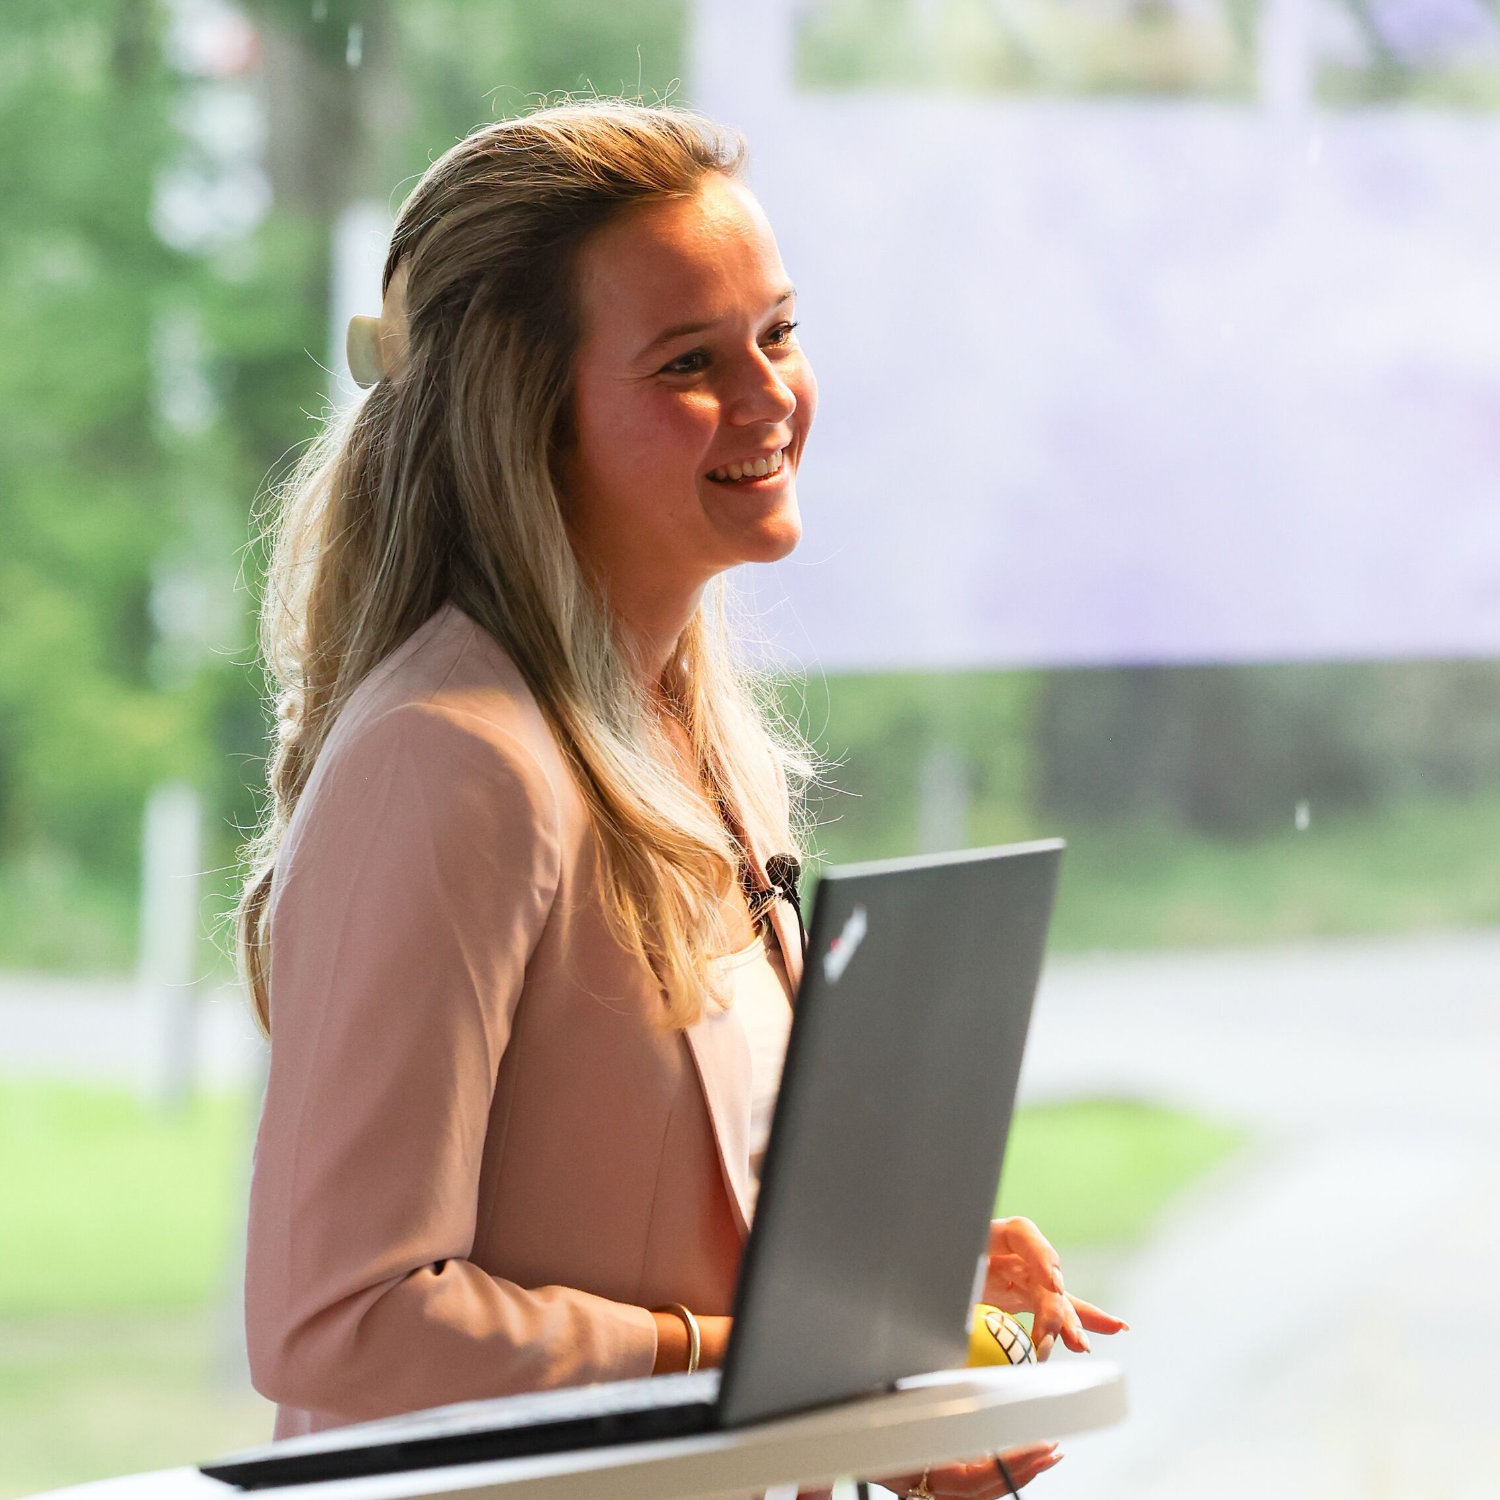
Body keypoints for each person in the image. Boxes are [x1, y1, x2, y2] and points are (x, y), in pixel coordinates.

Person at [235, 99, 1123, 1498]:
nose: (772, 399)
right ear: (529, 418)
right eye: (690, 362)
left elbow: (653, 1209)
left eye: (779, 333)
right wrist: (758, 1365)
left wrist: (900, 1314)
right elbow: (343, 1323)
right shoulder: (447, 761)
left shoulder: (691, 736)